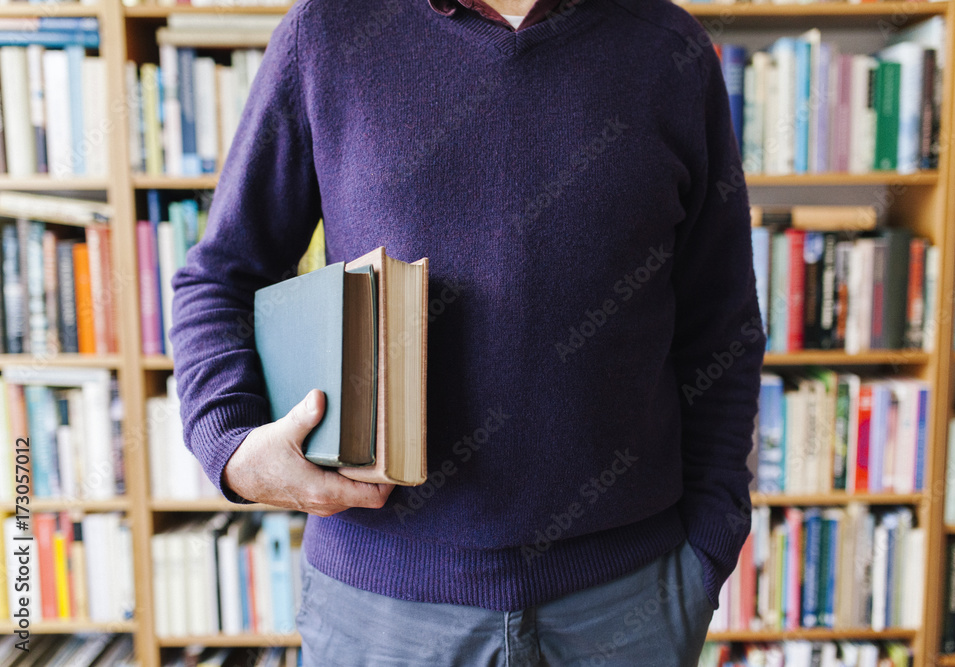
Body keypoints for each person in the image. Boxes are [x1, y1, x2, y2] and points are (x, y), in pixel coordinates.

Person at [170, 0, 766, 664]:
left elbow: (723, 326)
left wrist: (710, 546)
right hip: (381, 612)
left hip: (628, 606)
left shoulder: (669, 49)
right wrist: (229, 443)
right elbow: (222, 274)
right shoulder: (329, 30)